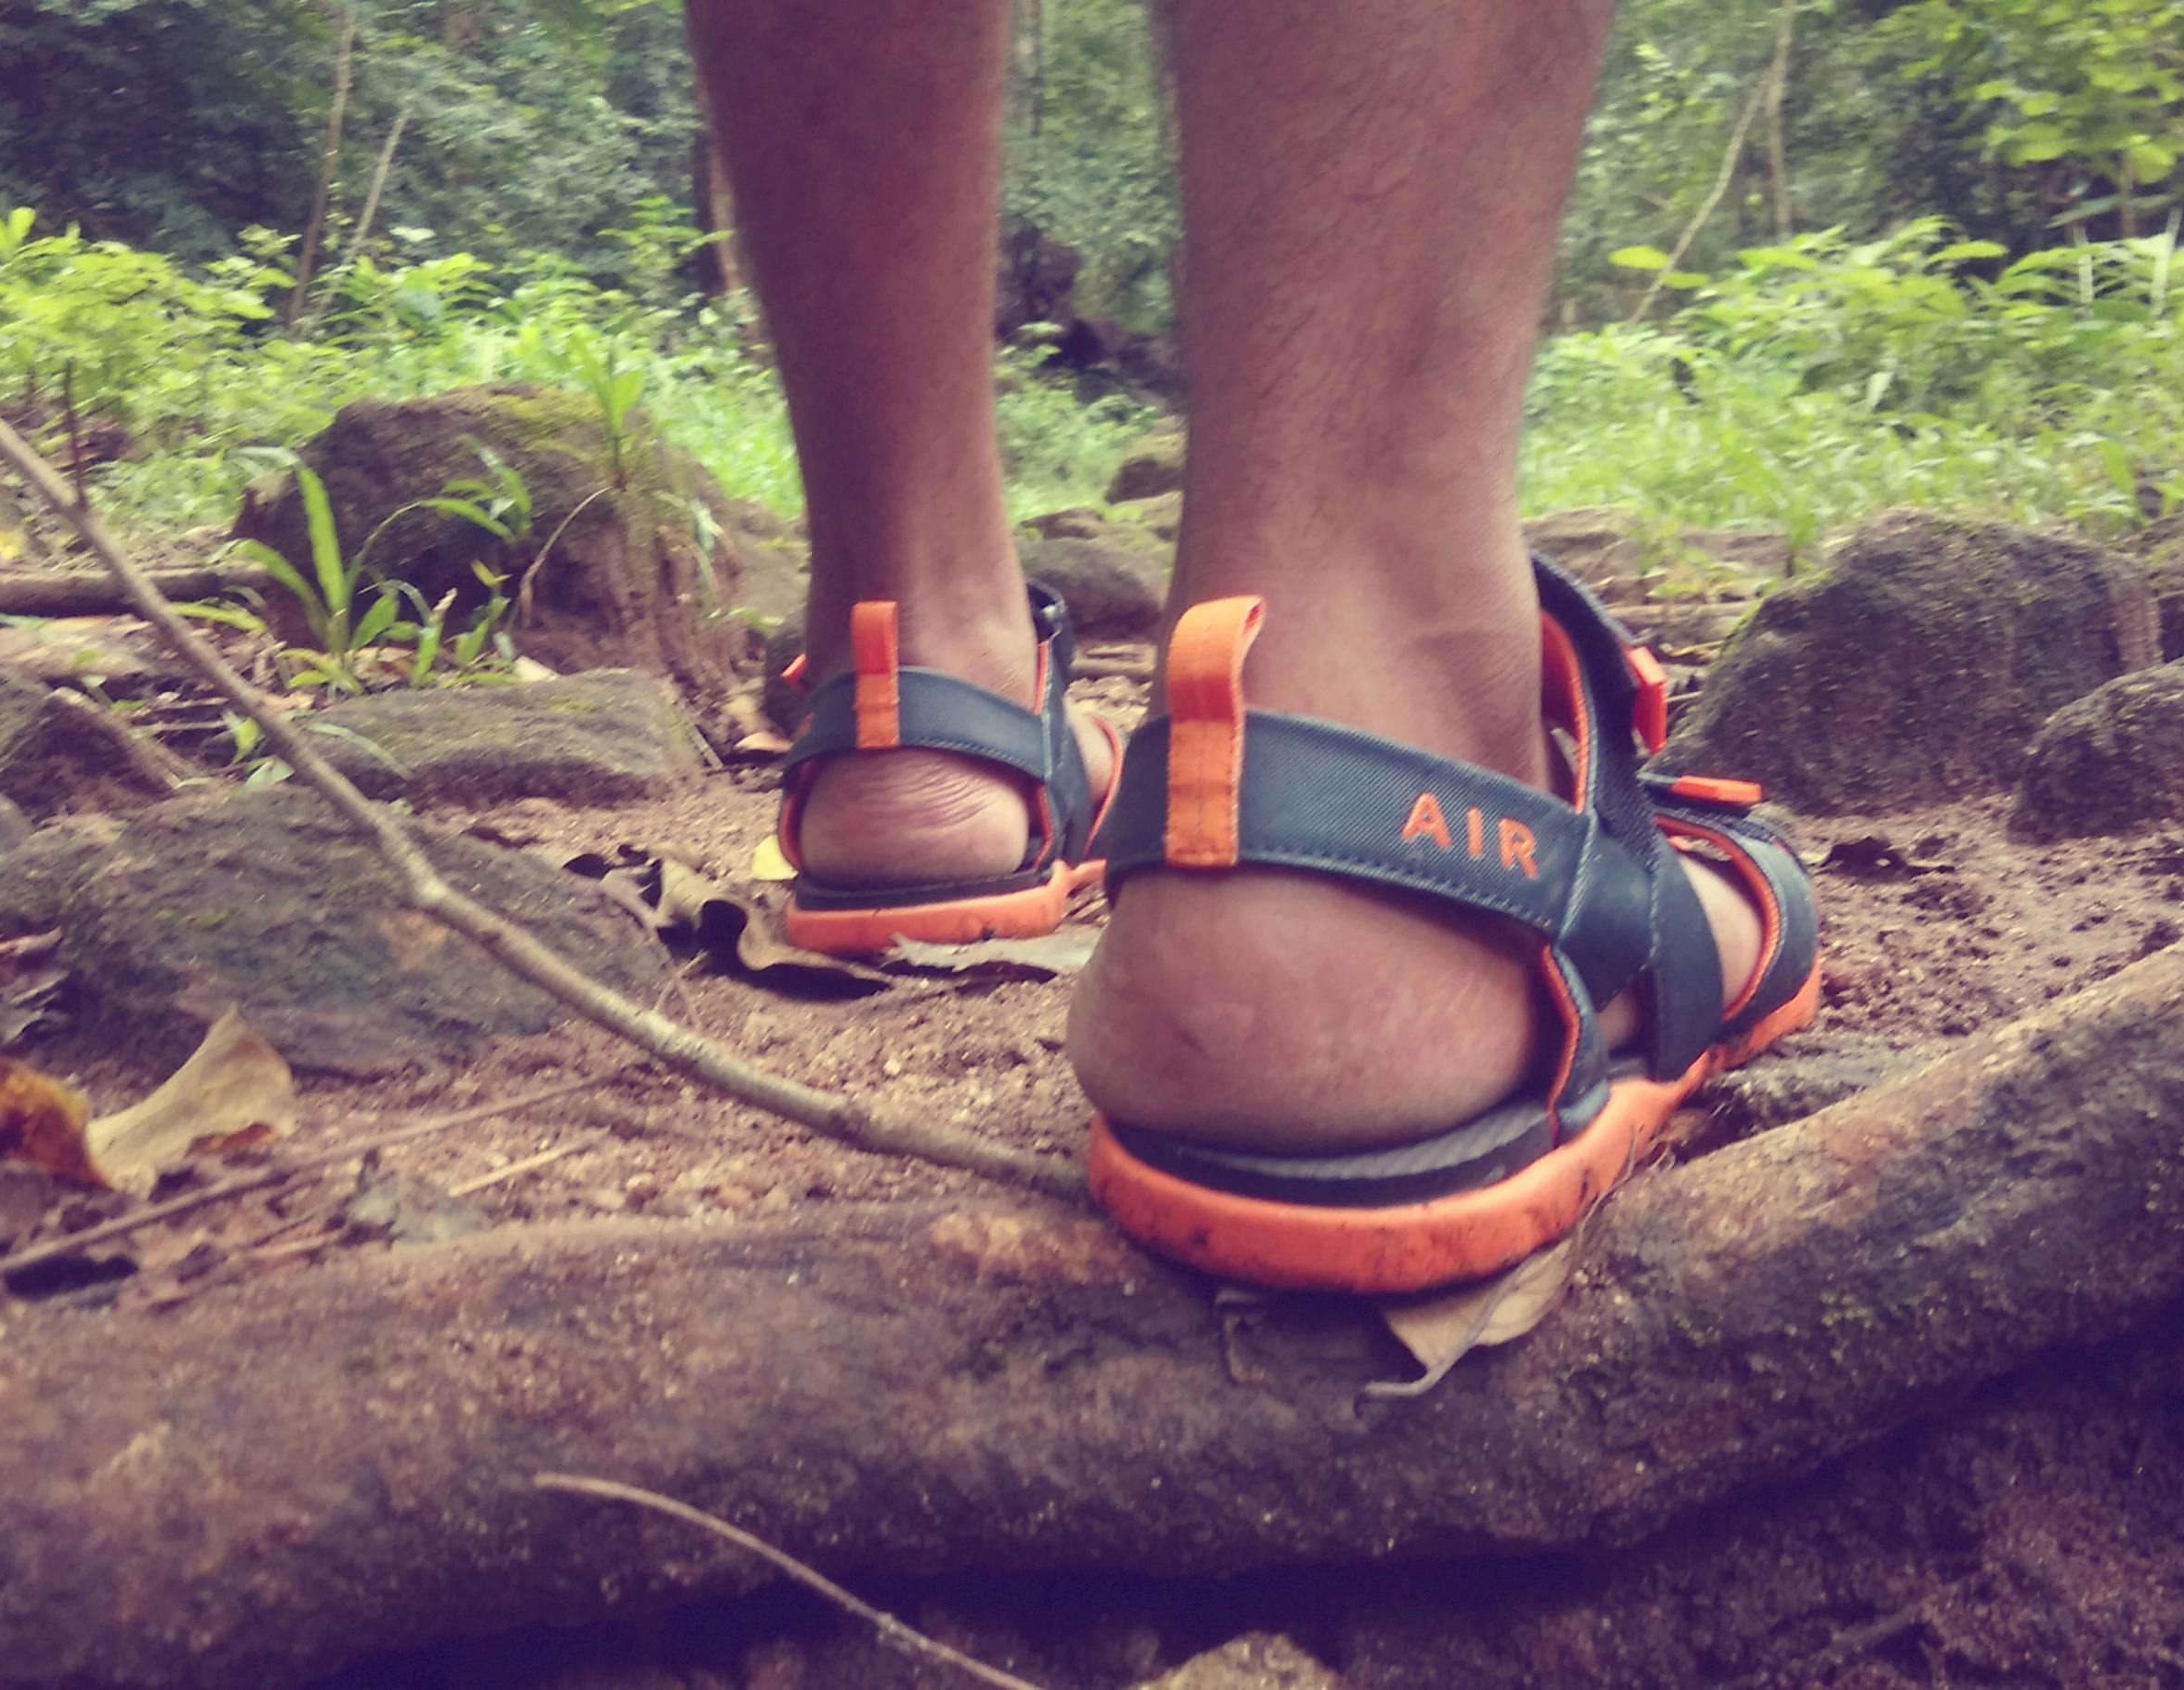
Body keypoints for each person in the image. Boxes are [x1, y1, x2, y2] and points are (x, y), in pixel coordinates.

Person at [687, 0, 1817, 1294]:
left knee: (918, 634)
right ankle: (1375, 727)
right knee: (1358, 648)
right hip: (1417, 897)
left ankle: (918, 679)